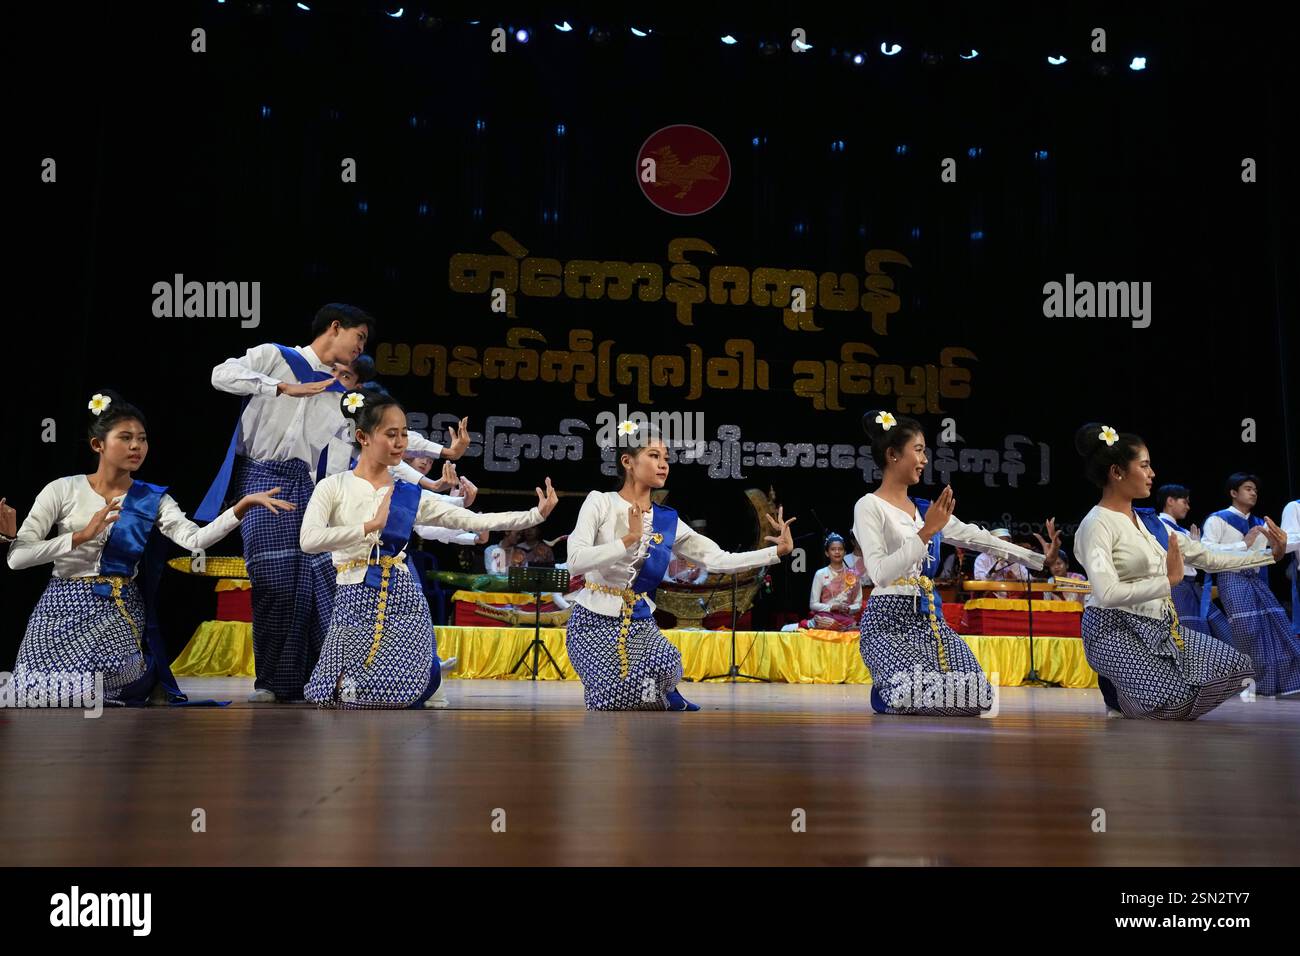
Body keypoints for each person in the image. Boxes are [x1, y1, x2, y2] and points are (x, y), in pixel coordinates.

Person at [200, 304, 458, 703]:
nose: (360, 348)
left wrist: (442, 452)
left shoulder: (342, 395)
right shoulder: (275, 357)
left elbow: (379, 436)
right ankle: (274, 681)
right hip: (261, 476)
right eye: (359, 338)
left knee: (328, 580)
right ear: (335, 328)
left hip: (307, 485)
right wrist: (280, 387)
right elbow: (221, 375)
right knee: (275, 583)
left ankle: (339, 674)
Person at [7, 391, 292, 706]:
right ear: (97, 445)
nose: (135, 446)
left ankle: (141, 677)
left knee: (87, 686)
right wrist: (80, 536)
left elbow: (194, 540)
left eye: (141, 439)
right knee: (35, 692)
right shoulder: (62, 490)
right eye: (125, 437)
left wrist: (240, 508)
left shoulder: (152, 499)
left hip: (115, 610)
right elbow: (17, 559)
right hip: (59, 607)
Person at [299, 386, 558, 708]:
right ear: (364, 437)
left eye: (404, 434)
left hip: (402, 590)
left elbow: (470, 519)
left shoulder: (407, 493)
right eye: (391, 434)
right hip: (354, 588)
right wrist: (368, 526)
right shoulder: (333, 486)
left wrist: (533, 514)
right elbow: (308, 541)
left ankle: (424, 685)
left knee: (413, 677)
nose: (400, 443)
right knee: (336, 687)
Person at [564, 419, 795, 711]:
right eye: (653, 455)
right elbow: (575, 562)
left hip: (638, 621)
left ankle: (659, 694)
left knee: (666, 661)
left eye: (666, 459)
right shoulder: (600, 503)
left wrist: (775, 552)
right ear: (628, 462)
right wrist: (629, 538)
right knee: (610, 699)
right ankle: (654, 696)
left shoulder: (667, 520)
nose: (663, 465)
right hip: (592, 621)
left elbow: (718, 558)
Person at [1072, 425, 1288, 718]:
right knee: (1175, 701)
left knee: (1237, 667)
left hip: (1159, 627)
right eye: (1145, 466)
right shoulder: (1096, 524)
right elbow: (1107, 593)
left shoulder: (1151, 523)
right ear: (1117, 472)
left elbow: (1208, 557)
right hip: (1112, 629)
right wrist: (1168, 581)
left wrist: (1268, 556)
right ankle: (1122, 697)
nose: (1152, 474)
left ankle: (1143, 696)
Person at [855, 410, 1059, 716]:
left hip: (929, 621)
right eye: (919, 450)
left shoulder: (924, 510)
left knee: (981, 698)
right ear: (893, 454)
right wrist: (926, 532)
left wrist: (1037, 559)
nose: (924, 460)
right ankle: (889, 692)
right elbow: (880, 574)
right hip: (888, 622)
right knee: (917, 692)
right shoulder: (869, 506)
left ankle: (900, 687)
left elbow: (977, 538)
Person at [1197, 473, 1300, 697]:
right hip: (1231, 578)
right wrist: (1243, 544)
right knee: (1247, 632)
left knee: (1274, 627)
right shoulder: (1217, 520)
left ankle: (1275, 685)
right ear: (1234, 493)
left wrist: (1278, 548)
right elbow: (1205, 552)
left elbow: (1268, 555)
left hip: (1256, 580)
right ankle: (1248, 684)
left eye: (1255, 489)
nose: (1253, 493)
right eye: (1248, 488)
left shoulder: (1260, 523)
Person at [799, 532, 862, 630]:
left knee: (855, 628)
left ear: (845, 552)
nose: (837, 552)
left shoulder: (853, 574)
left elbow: (858, 603)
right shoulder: (820, 574)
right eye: (833, 549)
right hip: (826, 616)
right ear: (827, 553)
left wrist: (849, 609)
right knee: (827, 623)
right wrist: (833, 607)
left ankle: (843, 628)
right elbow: (813, 605)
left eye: (840, 549)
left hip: (846, 617)